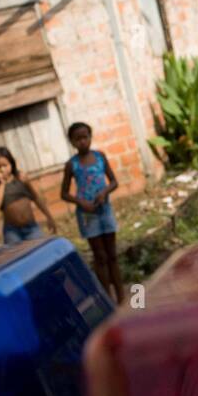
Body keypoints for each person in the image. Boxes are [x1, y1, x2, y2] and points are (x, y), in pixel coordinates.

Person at [60, 122, 124, 303]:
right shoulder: (71, 165)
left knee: (112, 255)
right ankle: (107, 298)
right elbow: (63, 193)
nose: (82, 141)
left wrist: (104, 192)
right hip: (87, 214)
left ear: (90, 136)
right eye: (77, 139)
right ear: (72, 142)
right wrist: (81, 202)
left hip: (105, 210)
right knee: (100, 256)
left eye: (85, 137)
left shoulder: (100, 157)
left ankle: (121, 296)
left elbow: (114, 182)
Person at [0, 146, 59, 244]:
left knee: (38, 252)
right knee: (17, 256)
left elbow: (36, 197)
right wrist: (2, 183)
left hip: (31, 228)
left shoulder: (21, 177)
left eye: (5, 165)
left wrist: (49, 217)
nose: (2, 169)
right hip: (12, 232)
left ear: (11, 163)